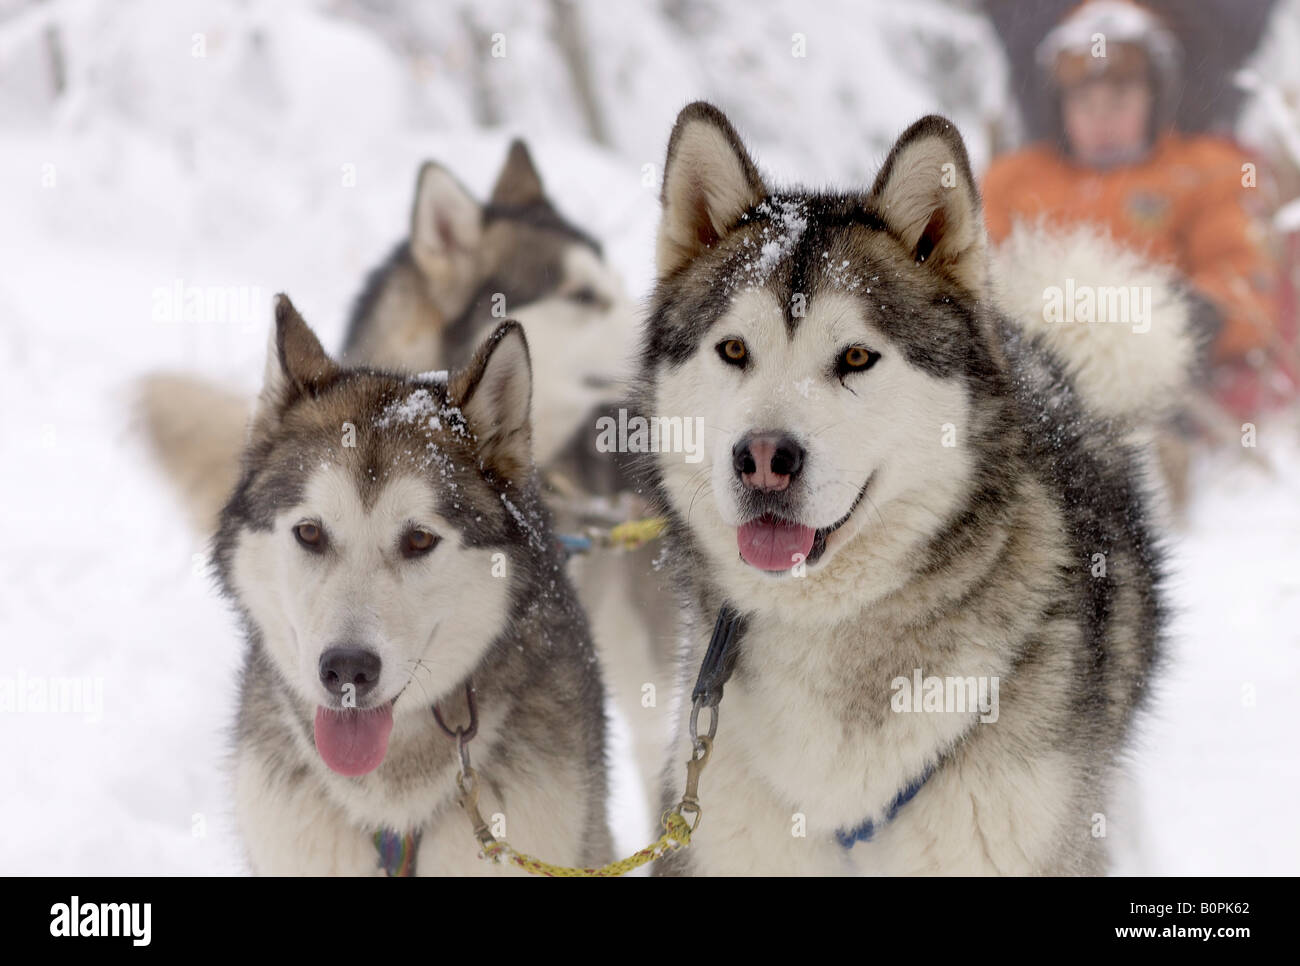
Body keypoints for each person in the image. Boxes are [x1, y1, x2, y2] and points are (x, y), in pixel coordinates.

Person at [982, 0, 1282, 418]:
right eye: (1085, 102)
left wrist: (1193, 313)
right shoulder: (1012, 180)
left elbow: (1246, 281)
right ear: (1058, 105)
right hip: (1038, 381)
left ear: (1156, 94)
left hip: (1169, 386)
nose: (1101, 119)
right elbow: (976, 271)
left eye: (1120, 98)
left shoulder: (1208, 170)